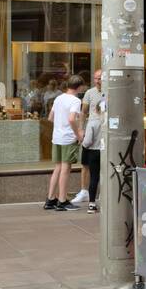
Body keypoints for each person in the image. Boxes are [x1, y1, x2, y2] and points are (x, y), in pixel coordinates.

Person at [44, 76, 83, 210]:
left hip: (57, 137)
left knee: (58, 167)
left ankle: (50, 199)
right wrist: (78, 134)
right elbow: (72, 119)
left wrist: (60, 126)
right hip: (68, 138)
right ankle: (62, 200)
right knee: (66, 169)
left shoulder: (58, 98)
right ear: (80, 87)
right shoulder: (76, 100)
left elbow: (50, 117)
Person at [73, 69, 102, 204]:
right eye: (96, 78)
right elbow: (83, 112)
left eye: (100, 78)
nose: (98, 81)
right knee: (85, 164)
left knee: (103, 165)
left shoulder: (111, 91)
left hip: (105, 134)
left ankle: (102, 193)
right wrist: (80, 129)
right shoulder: (90, 93)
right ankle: (84, 191)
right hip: (91, 131)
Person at [81, 82, 105, 212]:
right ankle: (106, 200)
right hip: (105, 151)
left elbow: (88, 140)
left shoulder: (92, 123)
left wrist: (83, 143)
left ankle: (91, 203)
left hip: (93, 152)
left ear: (95, 109)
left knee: (94, 177)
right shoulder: (107, 122)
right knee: (104, 176)